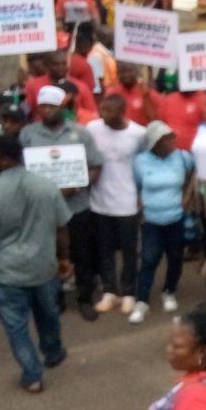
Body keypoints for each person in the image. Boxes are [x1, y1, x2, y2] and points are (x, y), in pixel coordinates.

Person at [0, 135, 71, 394]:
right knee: (48, 315)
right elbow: (61, 230)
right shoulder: (48, 187)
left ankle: (33, 375)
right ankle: (53, 352)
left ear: (5, 158)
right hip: (44, 267)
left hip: (7, 272)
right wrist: (63, 259)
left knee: (16, 326)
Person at [21, 86, 105, 321]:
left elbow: (96, 165)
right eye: (42, 106)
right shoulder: (28, 134)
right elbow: (20, 168)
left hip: (75, 205)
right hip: (42, 208)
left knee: (82, 253)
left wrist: (77, 184)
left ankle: (85, 298)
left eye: (51, 106)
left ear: (62, 107)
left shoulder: (80, 132)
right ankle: (54, 300)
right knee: (48, 254)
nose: (46, 111)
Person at [128, 122, 195, 323]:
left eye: (171, 136)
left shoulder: (183, 157)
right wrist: (141, 208)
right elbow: (138, 186)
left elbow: (193, 176)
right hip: (151, 221)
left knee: (175, 257)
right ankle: (142, 301)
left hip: (176, 218)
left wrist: (187, 198)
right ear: (155, 143)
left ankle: (169, 291)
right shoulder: (140, 161)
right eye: (166, 138)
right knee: (149, 259)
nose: (171, 141)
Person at [86, 92, 144, 316]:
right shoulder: (93, 128)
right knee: (104, 248)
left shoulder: (138, 133)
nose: (104, 115)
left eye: (110, 111)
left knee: (130, 250)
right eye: (102, 110)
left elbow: (145, 163)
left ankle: (129, 292)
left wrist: (142, 195)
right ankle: (110, 291)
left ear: (123, 112)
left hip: (127, 200)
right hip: (99, 200)